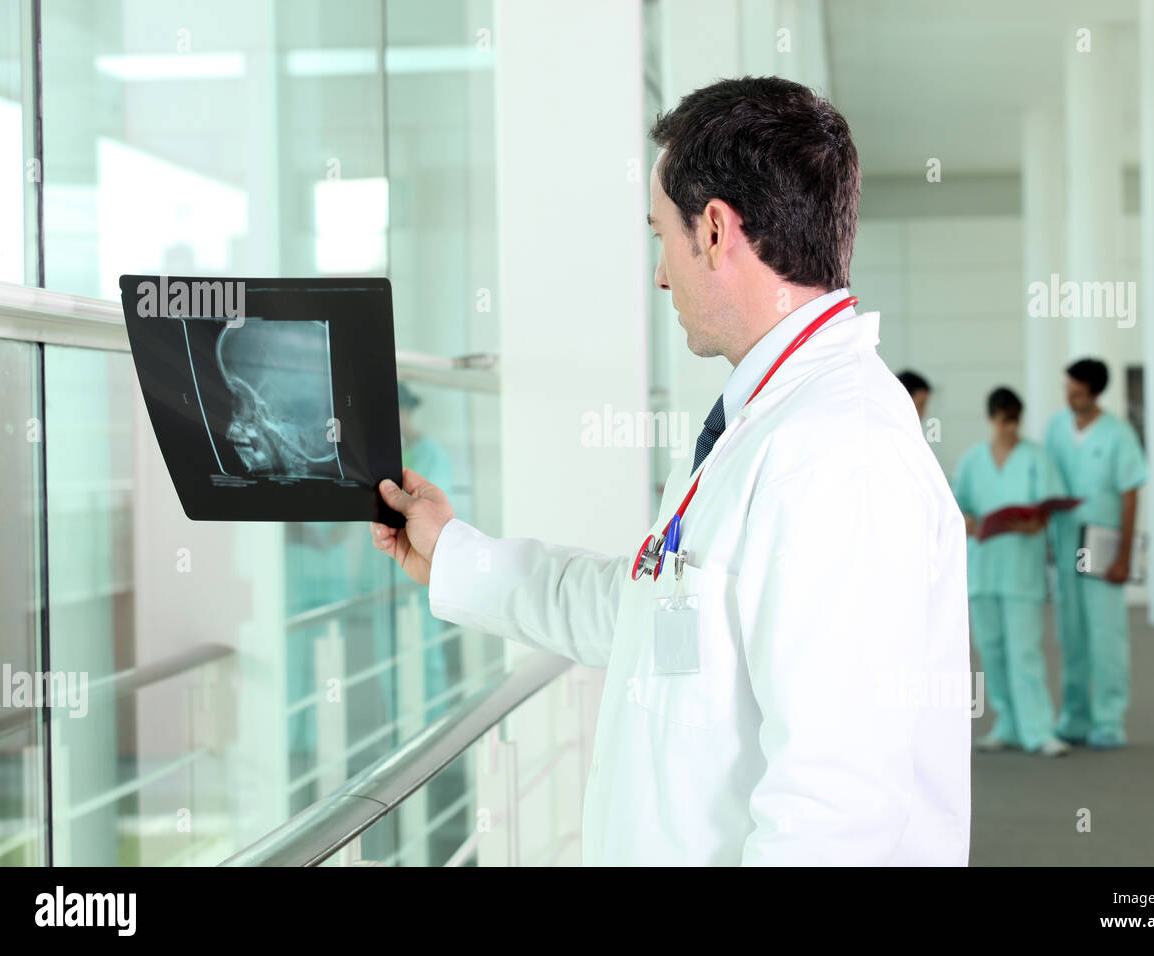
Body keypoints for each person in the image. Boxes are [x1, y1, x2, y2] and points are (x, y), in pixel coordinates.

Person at [372, 77, 970, 865]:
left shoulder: (835, 452)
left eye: (662, 236)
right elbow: (652, 613)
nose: (660, 274)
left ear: (716, 231)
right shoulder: (769, 424)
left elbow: (834, 813)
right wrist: (453, 554)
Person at [952, 387, 1067, 757]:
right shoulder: (972, 461)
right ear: (992, 419)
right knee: (992, 651)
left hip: (1021, 570)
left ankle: (1038, 730)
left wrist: (1038, 521)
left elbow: (1048, 504)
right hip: (983, 570)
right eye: (1004, 422)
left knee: (1024, 652)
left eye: (1016, 421)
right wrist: (969, 521)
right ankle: (1007, 724)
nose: (1011, 429)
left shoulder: (1036, 457)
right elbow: (957, 508)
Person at [1045, 359, 1148, 749]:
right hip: (1067, 541)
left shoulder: (1118, 434)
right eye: (1066, 389)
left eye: (1075, 390)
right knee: (1070, 634)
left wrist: (1124, 555)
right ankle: (1075, 716)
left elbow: (1130, 494)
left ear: (1094, 392)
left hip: (1102, 547)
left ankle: (1109, 718)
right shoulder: (1056, 428)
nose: (1069, 396)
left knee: (1106, 636)